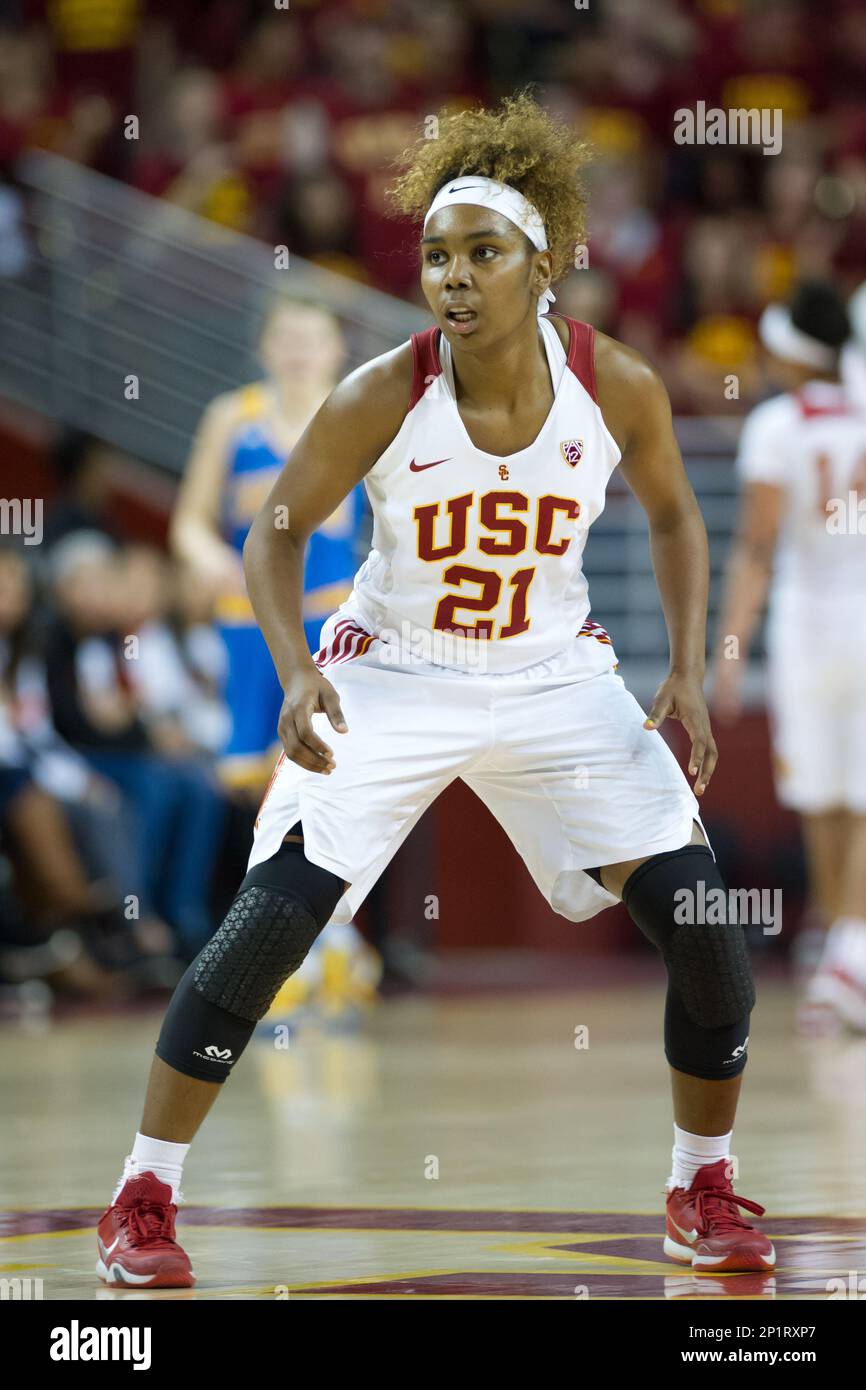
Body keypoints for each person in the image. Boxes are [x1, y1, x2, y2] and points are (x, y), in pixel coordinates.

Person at [96, 92, 773, 1289]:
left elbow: (673, 516)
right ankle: (143, 1193)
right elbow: (273, 535)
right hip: (397, 672)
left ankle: (696, 1181)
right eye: (436, 255)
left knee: (706, 925)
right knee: (274, 921)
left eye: (480, 253)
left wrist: (687, 666)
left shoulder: (613, 385)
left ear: (543, 264)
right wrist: (298, 669)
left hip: (556, 672)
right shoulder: (379, 391)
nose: (451, 277)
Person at [713, 281, 866, 1033]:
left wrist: (729, 649)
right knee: (848, 795)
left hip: (811, 621)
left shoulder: (777, 426)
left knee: (825, 796)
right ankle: (846, 948)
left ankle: (846, 950)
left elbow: (757, 546)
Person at [170, 296, 368, 796]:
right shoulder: (232, 416)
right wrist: (207, 556)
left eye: (312, 340)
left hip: (330, 623)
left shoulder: (360, 414)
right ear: (262, 347)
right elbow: (189, 522)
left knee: (328, 771)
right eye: (286, 339)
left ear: (336, 350)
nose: (298, 353)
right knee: (246, 783)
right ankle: (255, 876)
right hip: (249, 618)